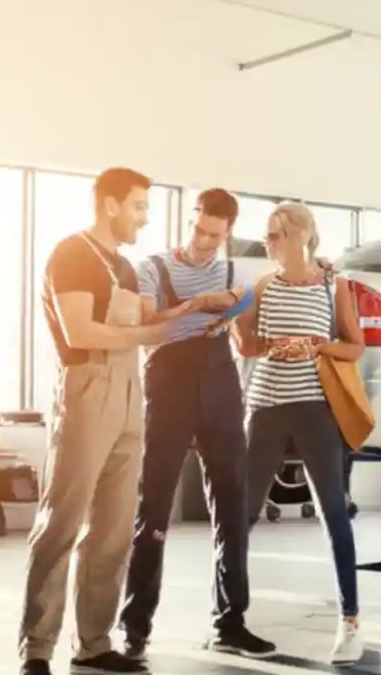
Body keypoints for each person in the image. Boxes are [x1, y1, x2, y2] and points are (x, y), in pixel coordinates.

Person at [18, 167, 172, 675]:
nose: (144, 218)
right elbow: (80, 331)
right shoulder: (72, 255)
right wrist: (148, 336)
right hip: (87, 389)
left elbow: (146, 325)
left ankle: (94, 644)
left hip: (131, 389)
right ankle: (37, 649)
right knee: (62, 521)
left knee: (113, 529)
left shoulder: (125, 269)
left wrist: (198, 311)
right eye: (138, 207)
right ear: (109, 205)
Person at [119, 189, 277, 660]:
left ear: (228, 231)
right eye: (199, 230)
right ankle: (135, 628)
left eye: (215, 235)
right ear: (192, 220)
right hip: (168, 380)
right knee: (154, 507)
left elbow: (245, 342)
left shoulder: (234, 272)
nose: (204, 242)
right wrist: (192, 306)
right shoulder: (154, 266)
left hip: (221, 380)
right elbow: (148, 324)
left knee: (232, 504)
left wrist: (242, 305)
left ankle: (231, 623)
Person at [233, 201, 366, 664]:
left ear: (302, 236)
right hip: (265, 405)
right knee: (241, 513)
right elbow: (249, 344)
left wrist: (315, 345)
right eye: (267, 234)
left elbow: (354, 347)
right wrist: (240, 323)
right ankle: (226, 618)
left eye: (276, 234)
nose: (268, 242)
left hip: (315, 408)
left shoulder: (335, 286)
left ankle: (350, 622)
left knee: (333, 511)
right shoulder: (263, 285)